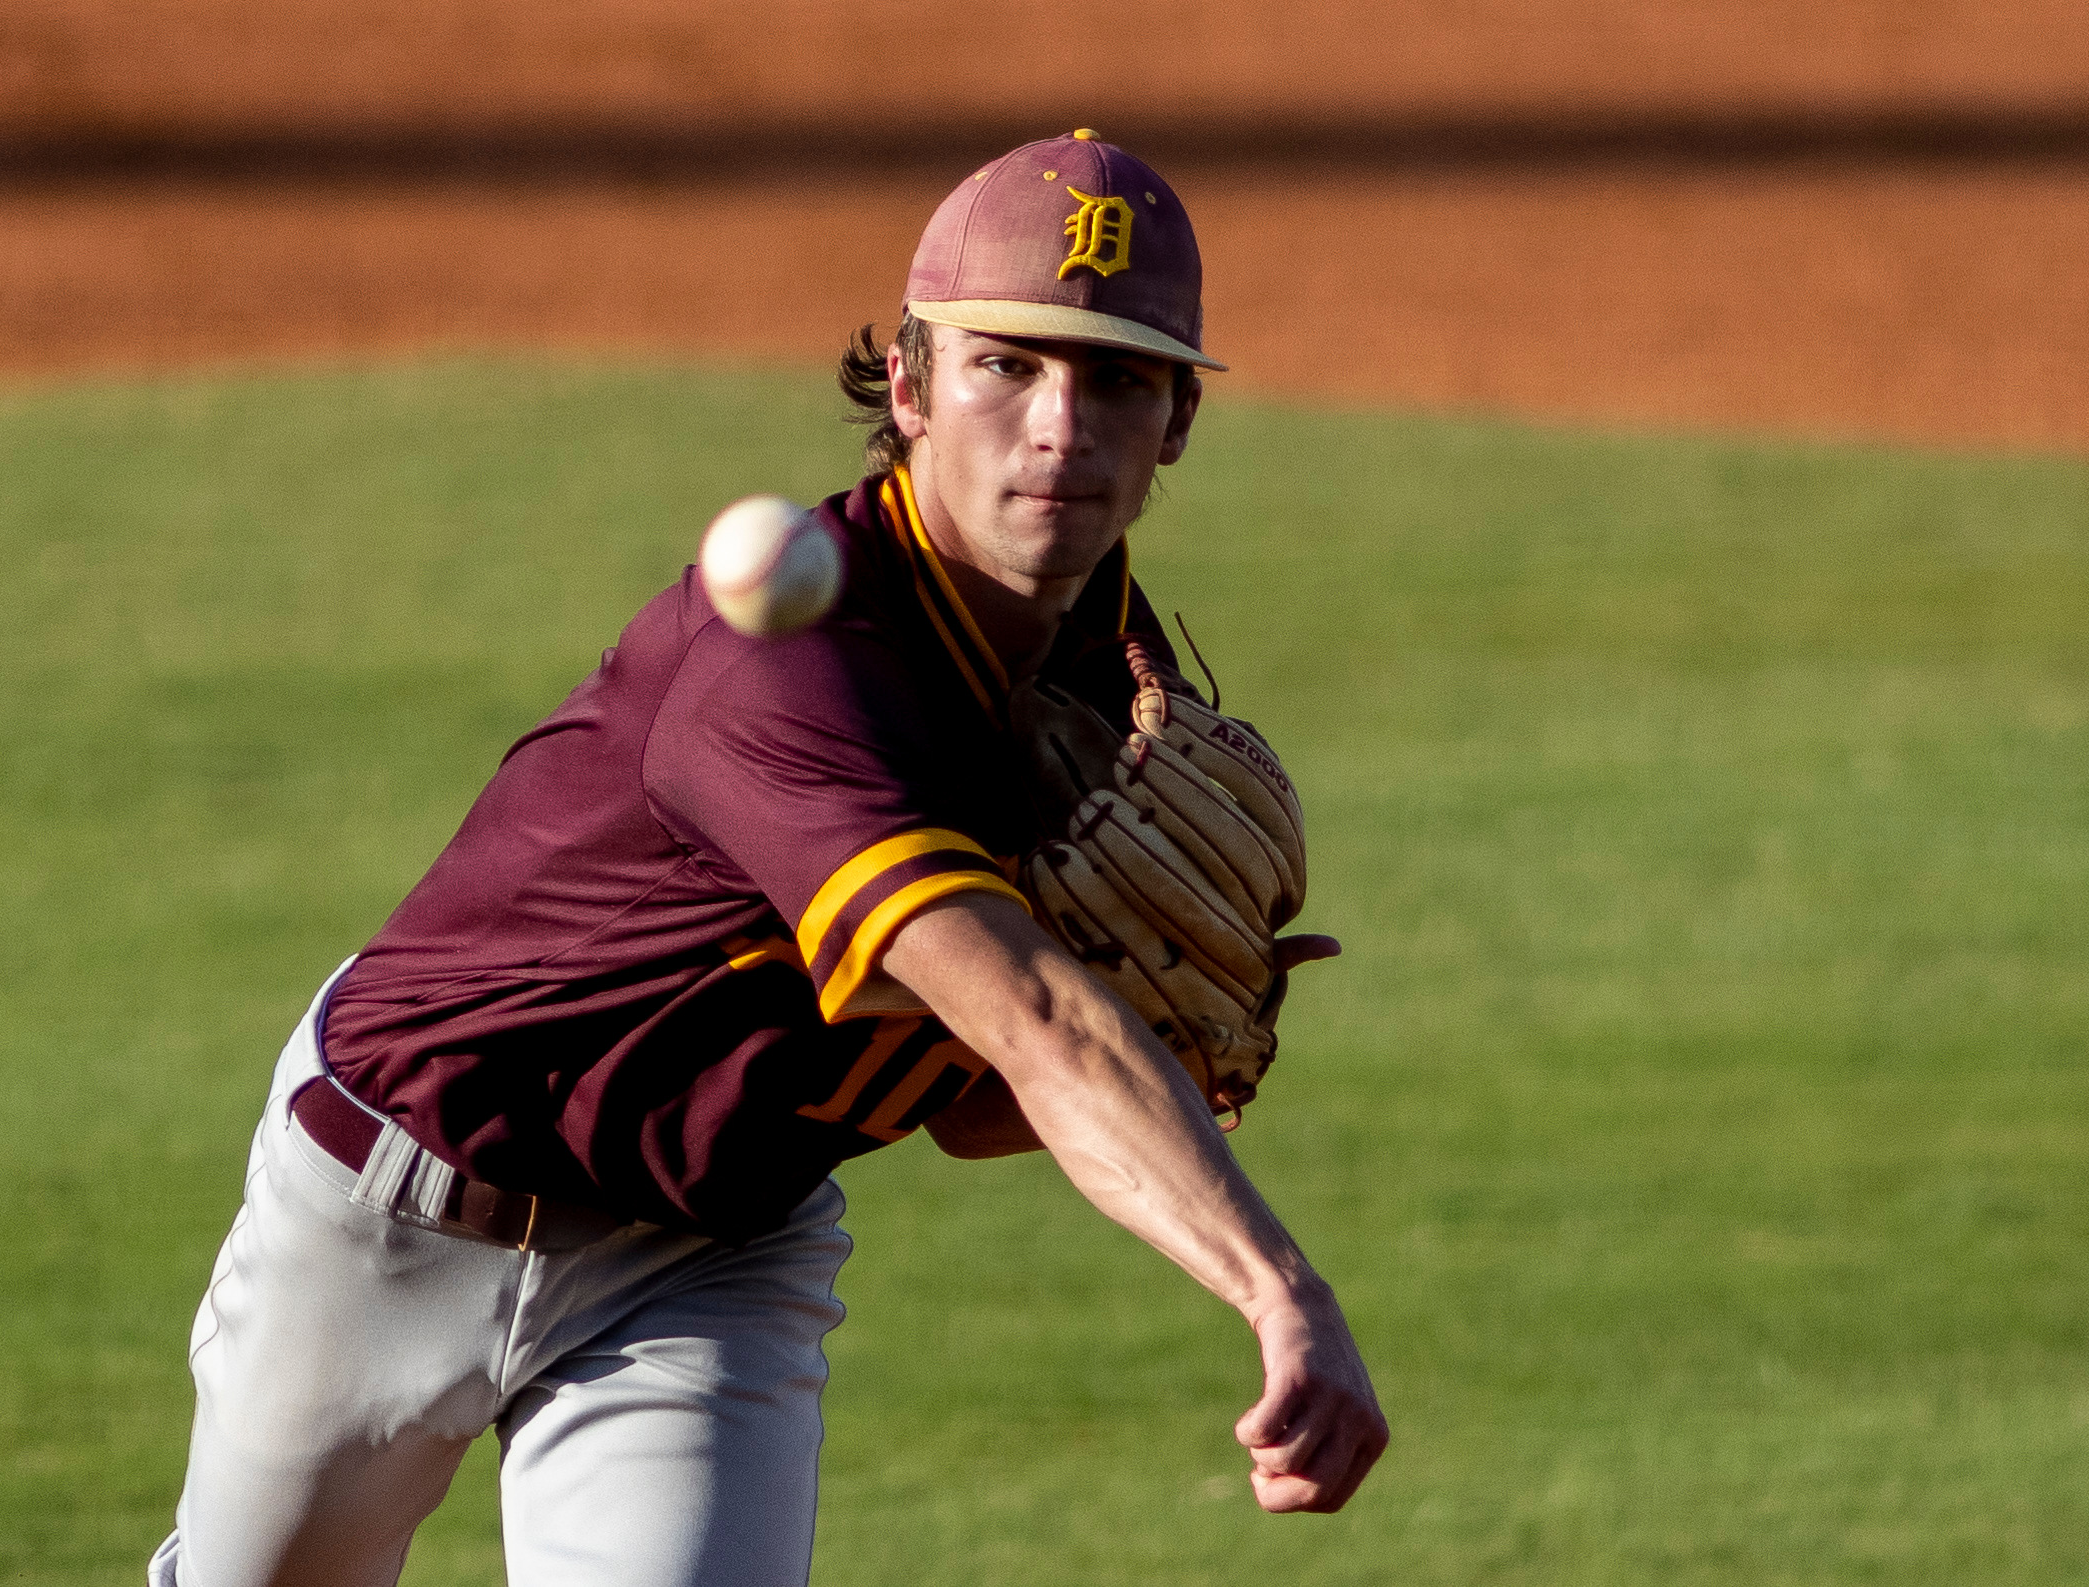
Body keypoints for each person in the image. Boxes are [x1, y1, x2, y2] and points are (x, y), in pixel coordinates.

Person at [150, 129, 1387, 1587]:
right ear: (913, 387)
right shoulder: (786, 672)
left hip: (708, 1257)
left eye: (1118, 377)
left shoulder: (1112, 680)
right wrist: (1278, 1289)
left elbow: (974, 1105)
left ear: (1176, 419)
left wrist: (1189, 1049)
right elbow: (1034, 1025)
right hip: (393, 1205)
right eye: (1010, 365)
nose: (1061, 425)